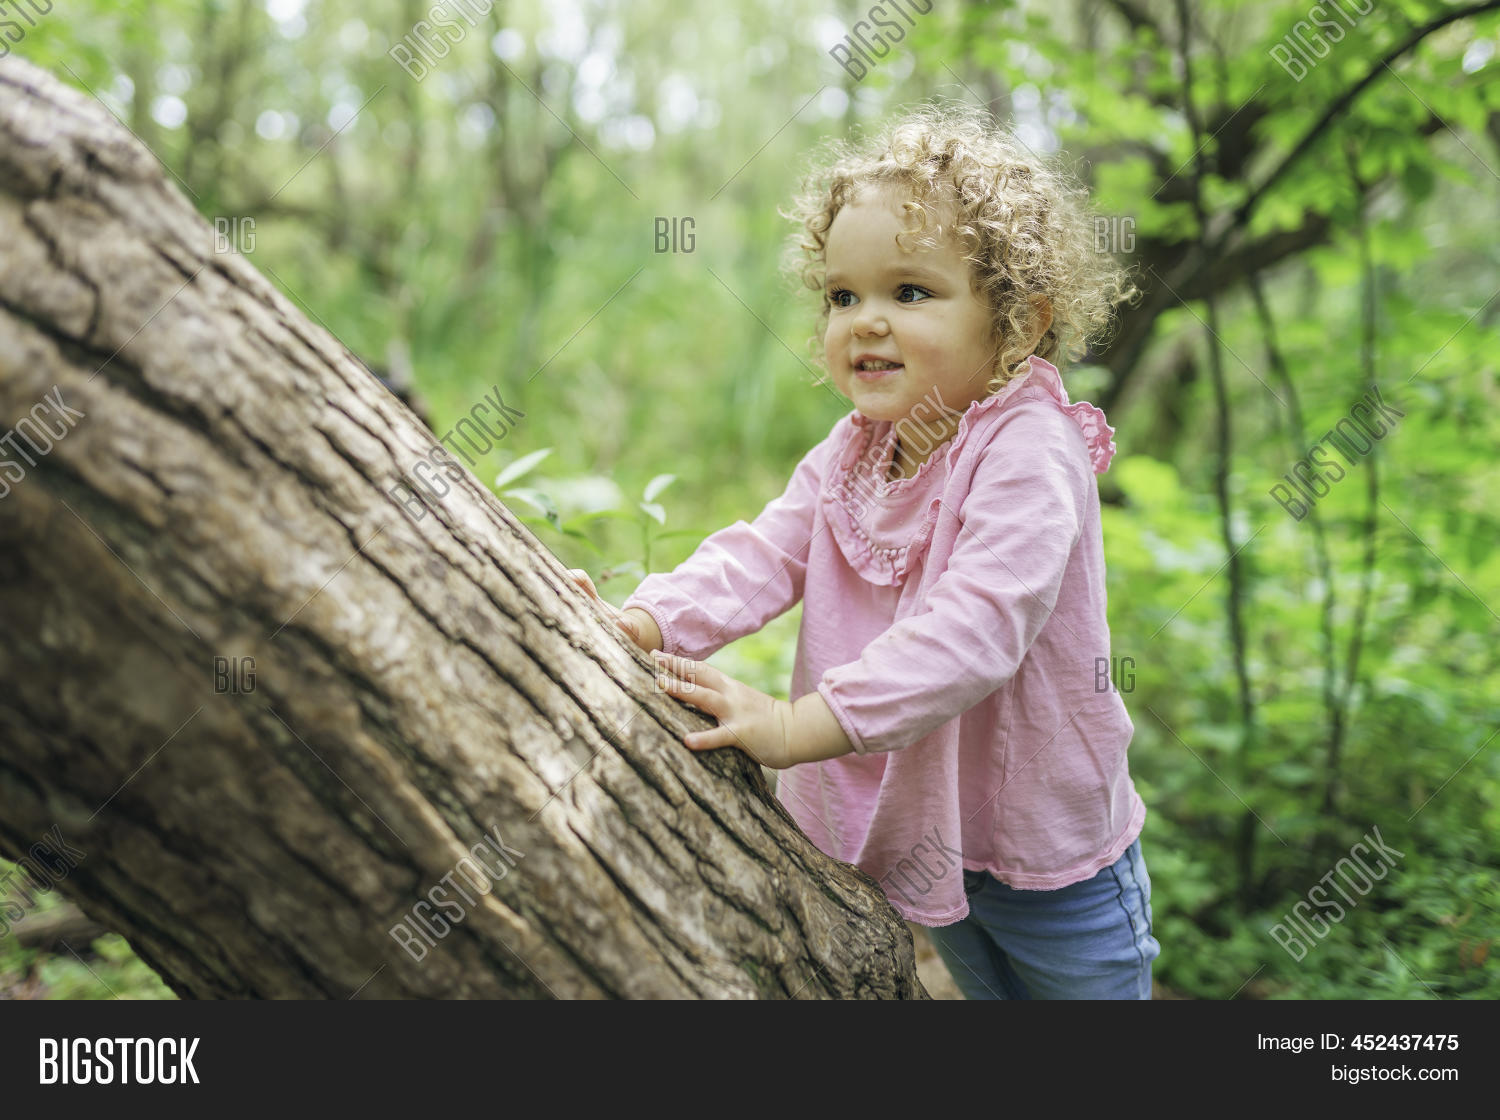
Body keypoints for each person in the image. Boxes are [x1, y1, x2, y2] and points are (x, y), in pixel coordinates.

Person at [570, 103, 1155, 999]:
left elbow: (976, 631)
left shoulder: (1029, 448)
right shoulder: (854, 450)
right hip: (940, 844)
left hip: (1054, 856)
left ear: (1022, 322)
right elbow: (761, 555)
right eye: (844, 296)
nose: (865, 322)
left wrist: (797, 726)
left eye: (909, 292)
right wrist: (642, 622)